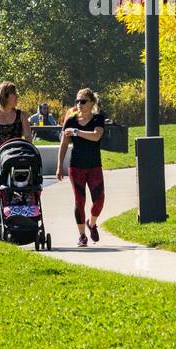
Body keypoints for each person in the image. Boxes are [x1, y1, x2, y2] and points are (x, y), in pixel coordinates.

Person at [56, 88, 106, 247]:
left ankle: (91, 223)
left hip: (94, 166)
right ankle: (82, 235)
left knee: (99, 200)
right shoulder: (70, 120)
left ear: (91, 103)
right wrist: (59, 166)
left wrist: (76, 132)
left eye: (83, 101)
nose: (79, 104)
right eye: (77, 101)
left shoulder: (98, 118)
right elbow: (63, 144)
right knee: (79, 201)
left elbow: (96, 136)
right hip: (76, 166)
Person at [0, 81, 31, 157]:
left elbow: (28, 137)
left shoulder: (21, 115)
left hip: (17, 157)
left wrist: (25, 151)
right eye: (14, 93)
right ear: (5, 96)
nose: (17, 96)